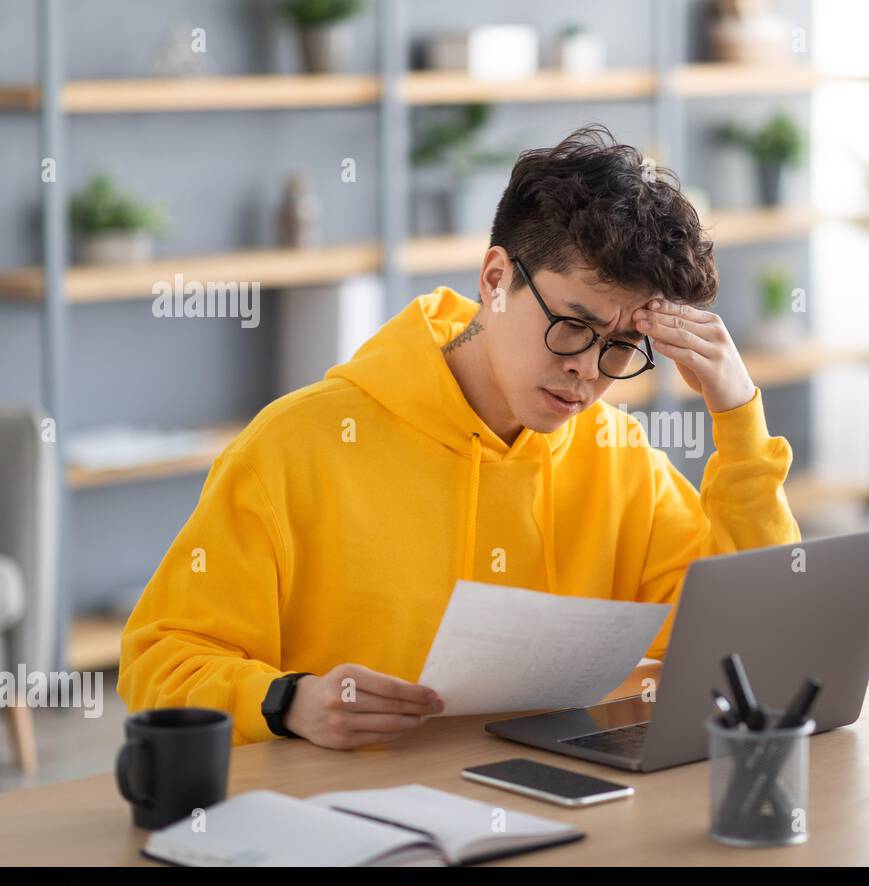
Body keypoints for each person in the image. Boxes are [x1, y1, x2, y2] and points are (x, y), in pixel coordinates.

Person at [118, 125, 800, 750]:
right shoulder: (296, 446)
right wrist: (286, 700)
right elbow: (160, 660)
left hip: (562, 813)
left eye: (623, 347)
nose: (588, 372)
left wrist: (738, 419)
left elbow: (751, 646)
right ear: (496, 279)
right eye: (572, 325)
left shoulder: (622, 462)